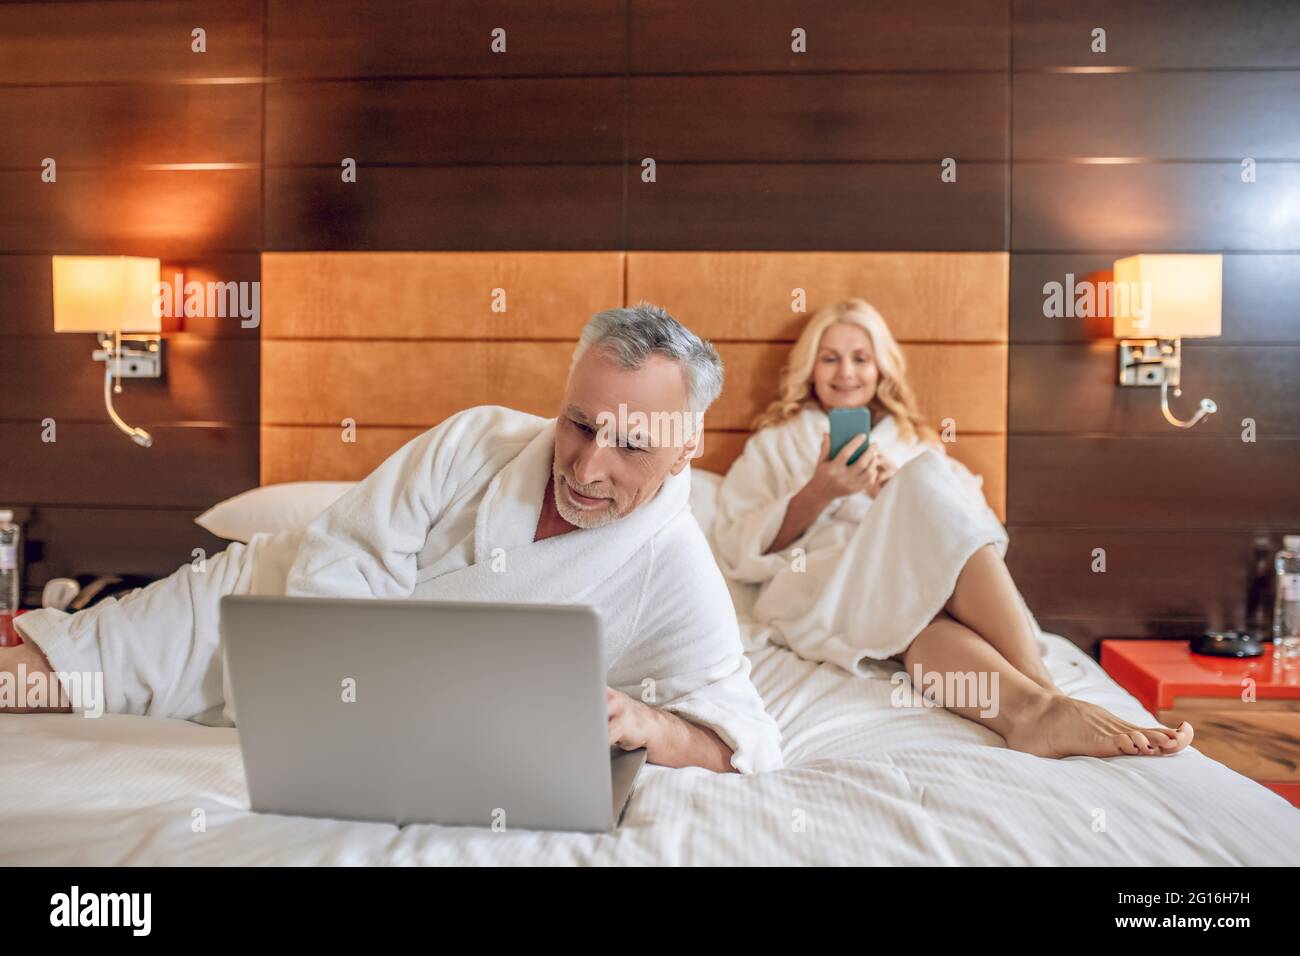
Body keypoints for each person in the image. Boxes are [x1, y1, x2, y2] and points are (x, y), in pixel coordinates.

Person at [2, 303, 784, 775]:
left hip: (390, 718)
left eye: (630, 446)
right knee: (48, 672)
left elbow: (741, 738)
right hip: (265, 604)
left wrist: (651, 727)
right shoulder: (477, 438)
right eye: (579, 424)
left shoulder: (674, 566)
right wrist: (326, 694)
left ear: (687, 450)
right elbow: (343, 553)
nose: (585, 465)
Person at [712, 298, 1193, 759]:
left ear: (881, 367)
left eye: (861, 358)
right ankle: (1046, 688)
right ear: (810, 368)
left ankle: (1037, 712)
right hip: (827, 583)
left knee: (923, 614)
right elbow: (737, 547)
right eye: (830, 358)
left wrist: (895, 495)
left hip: (911, 587)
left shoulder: (913, 441)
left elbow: (974, 532)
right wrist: (819, 491)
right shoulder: (776, 442)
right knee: (925, 481)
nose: (846, 372)